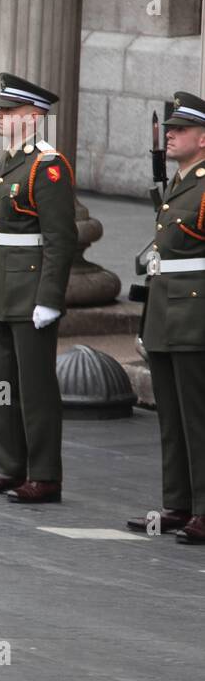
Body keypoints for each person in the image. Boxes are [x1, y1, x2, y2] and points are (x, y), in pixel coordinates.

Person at [0, 74, 76, 504]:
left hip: (31, 291)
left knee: (35, 387)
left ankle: (44, 474)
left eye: (7, 111)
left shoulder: (46, 166)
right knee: (4, 383)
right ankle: (9, 466)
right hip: (4, 288)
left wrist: (50, 298)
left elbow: (60, 238)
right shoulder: (13, 162)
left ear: (32, 117)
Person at [126, 91, 205, 544]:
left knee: (197, 414)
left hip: (194, 307)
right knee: (170, 415)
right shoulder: (179, 182)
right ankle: (177, 502)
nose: (169, 135)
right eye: (169, 129)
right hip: (164, 304)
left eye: (179, 130)